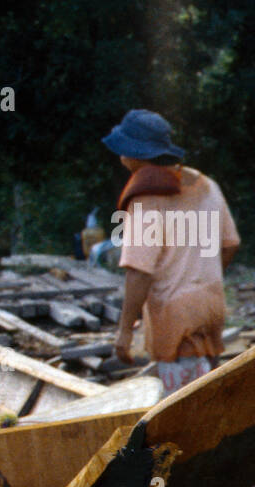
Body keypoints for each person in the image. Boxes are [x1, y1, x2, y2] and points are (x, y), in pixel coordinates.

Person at [102, 109, 240, 394]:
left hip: (175, 315)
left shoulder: (146, 199)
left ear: (135, 154)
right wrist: (201, 278)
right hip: (210, 305)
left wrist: (125, 332)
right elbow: (230, 244)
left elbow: (139, 272)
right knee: (209, 390)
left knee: (183, 403)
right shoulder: (205, 184)